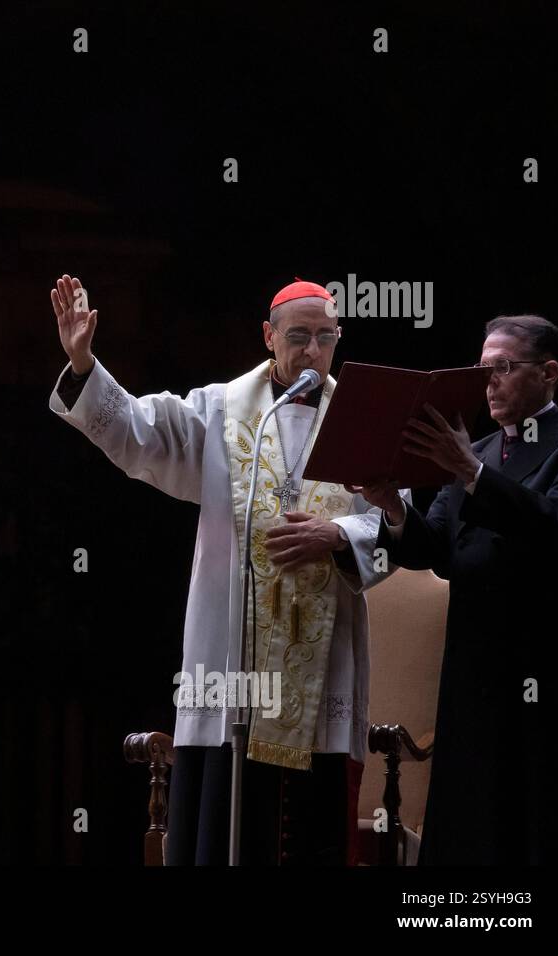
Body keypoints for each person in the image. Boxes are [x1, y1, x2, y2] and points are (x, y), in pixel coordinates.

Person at [48, 275, 395, 864]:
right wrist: (83, 363)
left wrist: (339, 533)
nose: (312, 350)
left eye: (326, 337)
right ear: (268, 336)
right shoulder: (224, 410)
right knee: (227, 821)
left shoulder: (364, 420)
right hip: (234, 662)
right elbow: (140, 434)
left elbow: (400, 520)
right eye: (299, 336)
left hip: (323, 657)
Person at [356, 314, 558, 864]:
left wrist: (470, 474)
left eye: (502, 367)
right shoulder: (475, 450)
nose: (488, 381)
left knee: (527, 816)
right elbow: (433, 548)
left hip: (537, 665)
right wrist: (391, 504)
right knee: (467, 816)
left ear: (548, 372)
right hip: (470, 665)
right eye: (482, 369)